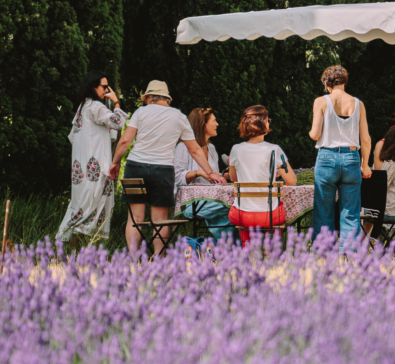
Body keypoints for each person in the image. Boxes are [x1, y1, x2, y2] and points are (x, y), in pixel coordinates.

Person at [108, 80, 223, 254]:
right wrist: (210, 172)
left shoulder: (141, 112)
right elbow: (195, 150)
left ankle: (133, 259)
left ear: (148, 97)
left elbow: (125, 140)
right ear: (166, 98)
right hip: (162, 171)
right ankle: (159, 259)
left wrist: (115, 162)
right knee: (160, 219)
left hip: (135, 167)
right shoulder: (179, 117)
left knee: (134, 218)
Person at [57, 71, 127, 243]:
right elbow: (118, 123)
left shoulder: (82, 108)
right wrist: (116, 102)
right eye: (104, 87)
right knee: (91, 208)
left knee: (80, 206)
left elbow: (72, 137)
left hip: (82, 172)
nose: (107, 90)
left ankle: (67, 246)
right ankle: (81, 249)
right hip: (95, 171)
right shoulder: (96, 107)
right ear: (92, 87)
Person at [309, 65, 372, 252]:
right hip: (352, 157)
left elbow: (315, 134)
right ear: (344, 81)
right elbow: (366, 139)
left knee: (323, 210)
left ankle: (323, 251)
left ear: (327, 83)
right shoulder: (358, 103)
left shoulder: (321, 101)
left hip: (327, 158)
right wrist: (365, 164)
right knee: (350, 212)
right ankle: (349, 254)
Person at [227, 105, 297, 244]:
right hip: (270, 216)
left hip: (242, 216)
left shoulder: (236, 149)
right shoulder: (274, 150)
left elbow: (235, 179)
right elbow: (292, 180)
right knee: (280, 208)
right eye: (267, 119)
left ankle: (247, 246)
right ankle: (270, 247)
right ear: (262, 123)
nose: (269, 122)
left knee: (238, 210)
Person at [174, 108, 235, 240]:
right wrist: (199, 172)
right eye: (214, 121)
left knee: (235, 208)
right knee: (234, 207)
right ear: (202, 124)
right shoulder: (183, 147)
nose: (217, 124)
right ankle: (230, 249)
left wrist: (223, 176)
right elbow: (177, 177)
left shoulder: (211, 149)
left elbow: (213, 176)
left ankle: (224, 248)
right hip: (192, 204)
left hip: (213, 200)